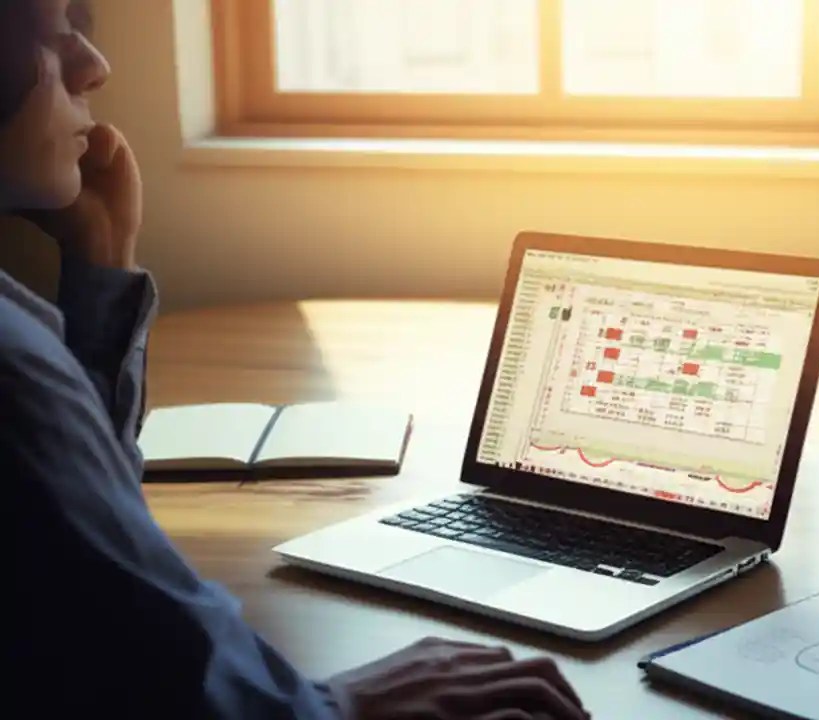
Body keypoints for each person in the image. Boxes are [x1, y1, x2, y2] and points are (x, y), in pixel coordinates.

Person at [0, 2, 590, 718]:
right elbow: (147, 662)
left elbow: (70, 556)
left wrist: (101, 266)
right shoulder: (13, 365)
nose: (95, 64)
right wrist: (332, 706)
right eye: (39, 27)